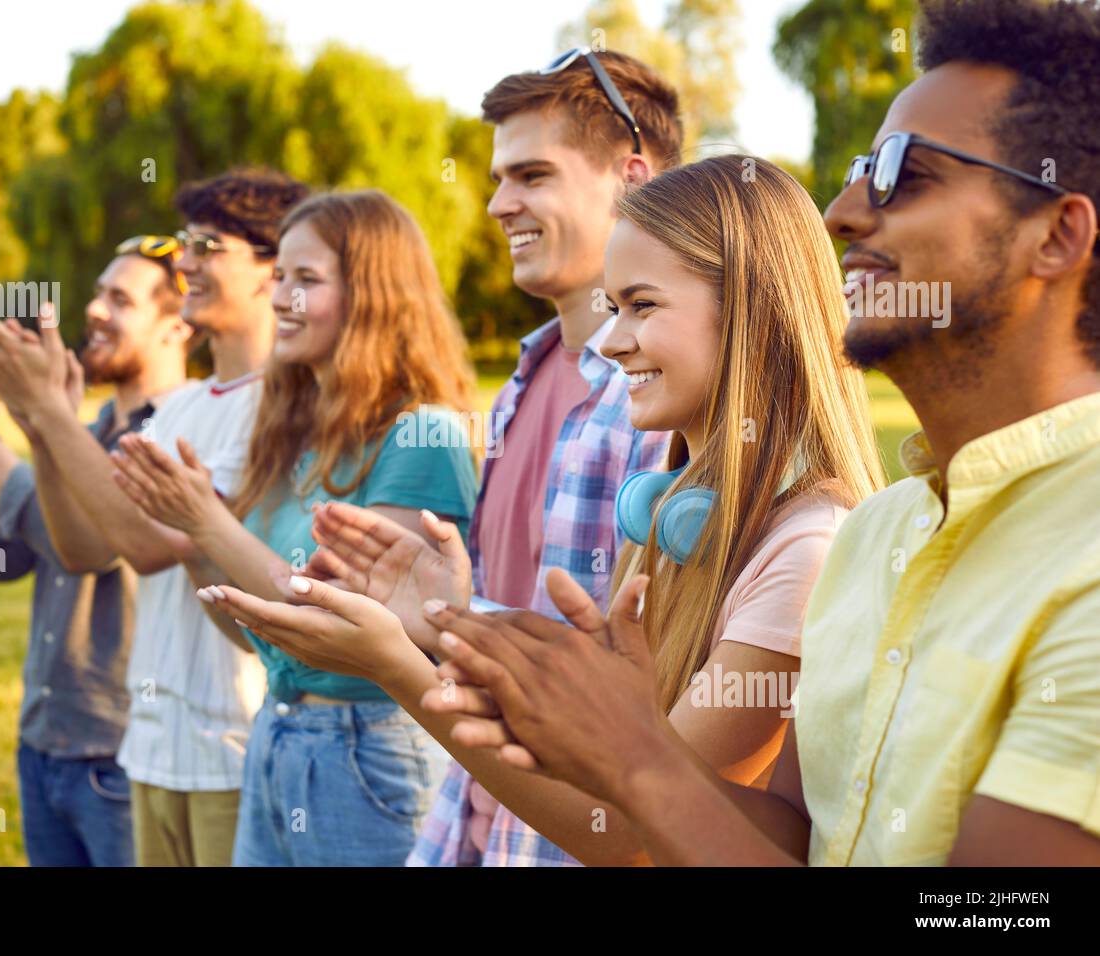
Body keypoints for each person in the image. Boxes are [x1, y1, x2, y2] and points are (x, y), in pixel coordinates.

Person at [392, 0, 1100, 866]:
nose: (840, 212)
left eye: (901, 176)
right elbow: (796, 837)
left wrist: (630, 756)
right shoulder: (879, 537)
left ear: (1057, 235)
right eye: (855, 171)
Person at [204, 152, 888, 866]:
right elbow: (591, 743)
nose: (614, 341)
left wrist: (399, 669)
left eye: (642, 306)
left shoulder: (805, 550)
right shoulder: (677, 510)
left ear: (750, 307)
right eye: (613, 307)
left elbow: (629, 827)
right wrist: (453, 623)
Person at [259, 48, 682, 867]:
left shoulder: (668, 393)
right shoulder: (521, 382)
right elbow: (507, 628)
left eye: (531, 176)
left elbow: (662, 666)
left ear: (631, 178)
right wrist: (442, 618)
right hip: (479, 822)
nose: (497, 204)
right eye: (497, 178)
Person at [112, 190, 479, 866]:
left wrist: (206, 523)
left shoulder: (422, 433)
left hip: (367, 751)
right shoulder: (296, 430)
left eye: (306, 280)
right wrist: (196, 546)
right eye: (280, 275)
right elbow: (263, 640)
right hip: (277, 733)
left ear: (373, 296)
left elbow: (344, 632)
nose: (281, 297)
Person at [0, 168, 309, 866]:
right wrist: (41, 421)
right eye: (186, 245)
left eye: (208, 247)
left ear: (275, 266)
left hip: (227, 754)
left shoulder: (283, 408)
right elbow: (89, 544)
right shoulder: (181, 409)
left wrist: (49, 414)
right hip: (149, 750)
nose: (187, 264)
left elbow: (153, 544)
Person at [0, 239, 192, 865]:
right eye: (99, 292)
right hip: (44, 741)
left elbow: (89, 547)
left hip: (119, 752)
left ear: (176, 328)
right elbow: (5, 558)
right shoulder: (93, 428)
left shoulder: (177, 435)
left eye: (121, 299)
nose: (95, 309)